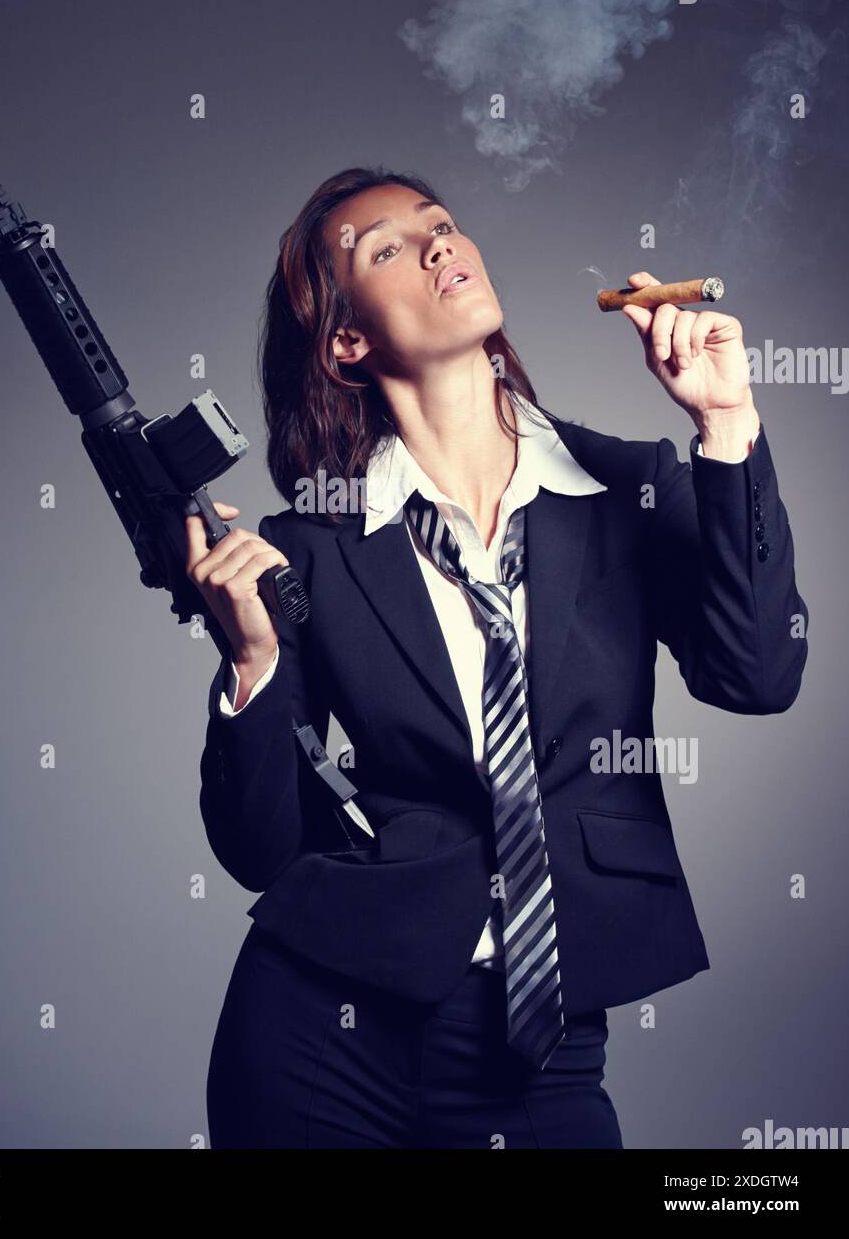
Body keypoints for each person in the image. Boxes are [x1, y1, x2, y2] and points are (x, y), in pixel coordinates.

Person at [183, 167, 808, 1150]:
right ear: (348, 340)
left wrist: (725, 425)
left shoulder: (630, 487)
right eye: (387, 246)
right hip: (321, 1029)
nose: (438, 245)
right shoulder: (308, 543)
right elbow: (257, 847)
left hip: (541, 1045)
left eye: (440, 225)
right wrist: (250, 661)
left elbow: (760, 674)